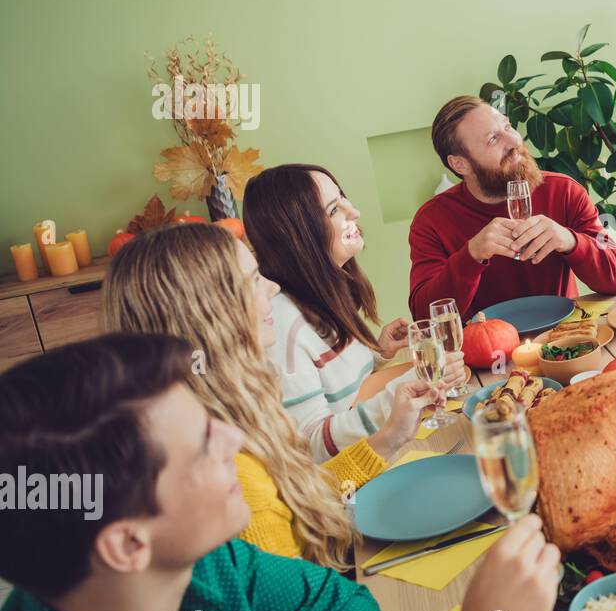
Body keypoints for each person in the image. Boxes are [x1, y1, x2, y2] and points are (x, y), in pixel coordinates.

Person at [0, 334, 388, 611]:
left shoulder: (209, 564)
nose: (234, 441)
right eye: (203, 444)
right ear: (129, 544)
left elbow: (335, 607)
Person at [102, 223, 441, 571]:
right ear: (207, 312)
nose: (272, 287)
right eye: (252, 280)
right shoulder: (227, 463)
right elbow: (299, 600)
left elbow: (298, 500)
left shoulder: (237, 400)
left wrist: (386, 440)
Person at [243, 163, 464, 465]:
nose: (355, 212)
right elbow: (310, 446)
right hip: (355, 476)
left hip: (379, 450)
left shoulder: (330, 288)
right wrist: (407, 387)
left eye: (343, 199)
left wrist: (378, 353)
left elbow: (342, 393)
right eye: (334, 210)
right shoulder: (281, 323)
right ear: (299, 233)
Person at [408, 96, 616, 319]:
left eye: (508, 127)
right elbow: (426, 317)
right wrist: (471, 255)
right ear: (460, 163)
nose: (514, 141)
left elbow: (615, 279)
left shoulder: (563, 191)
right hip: (485, 347)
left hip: (565, 337)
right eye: (493, 139)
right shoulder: (432, 220)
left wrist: (569, 241)